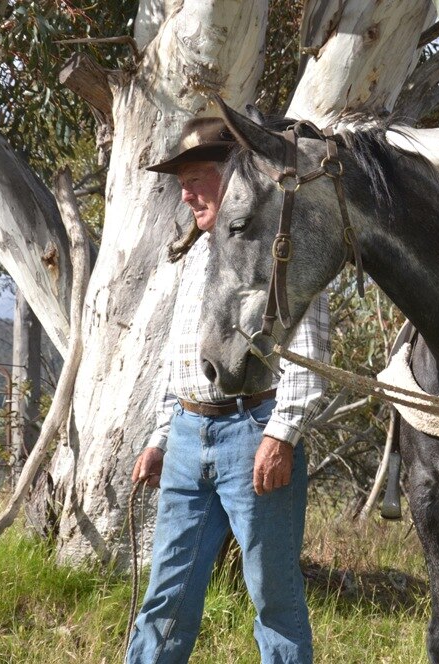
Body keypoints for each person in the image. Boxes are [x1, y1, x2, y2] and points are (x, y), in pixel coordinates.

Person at [125, 116, 330, 664]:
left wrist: (282, 435)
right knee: (167, 593)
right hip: (189, 437)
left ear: (235, 176)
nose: (187, 192)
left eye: (197, 177)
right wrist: (160, 439)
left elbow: (308, 354)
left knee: (273, 595)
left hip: (253, 433)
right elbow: (182, 364)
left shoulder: (275, 248)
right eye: (181, 181)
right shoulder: (190, 258)